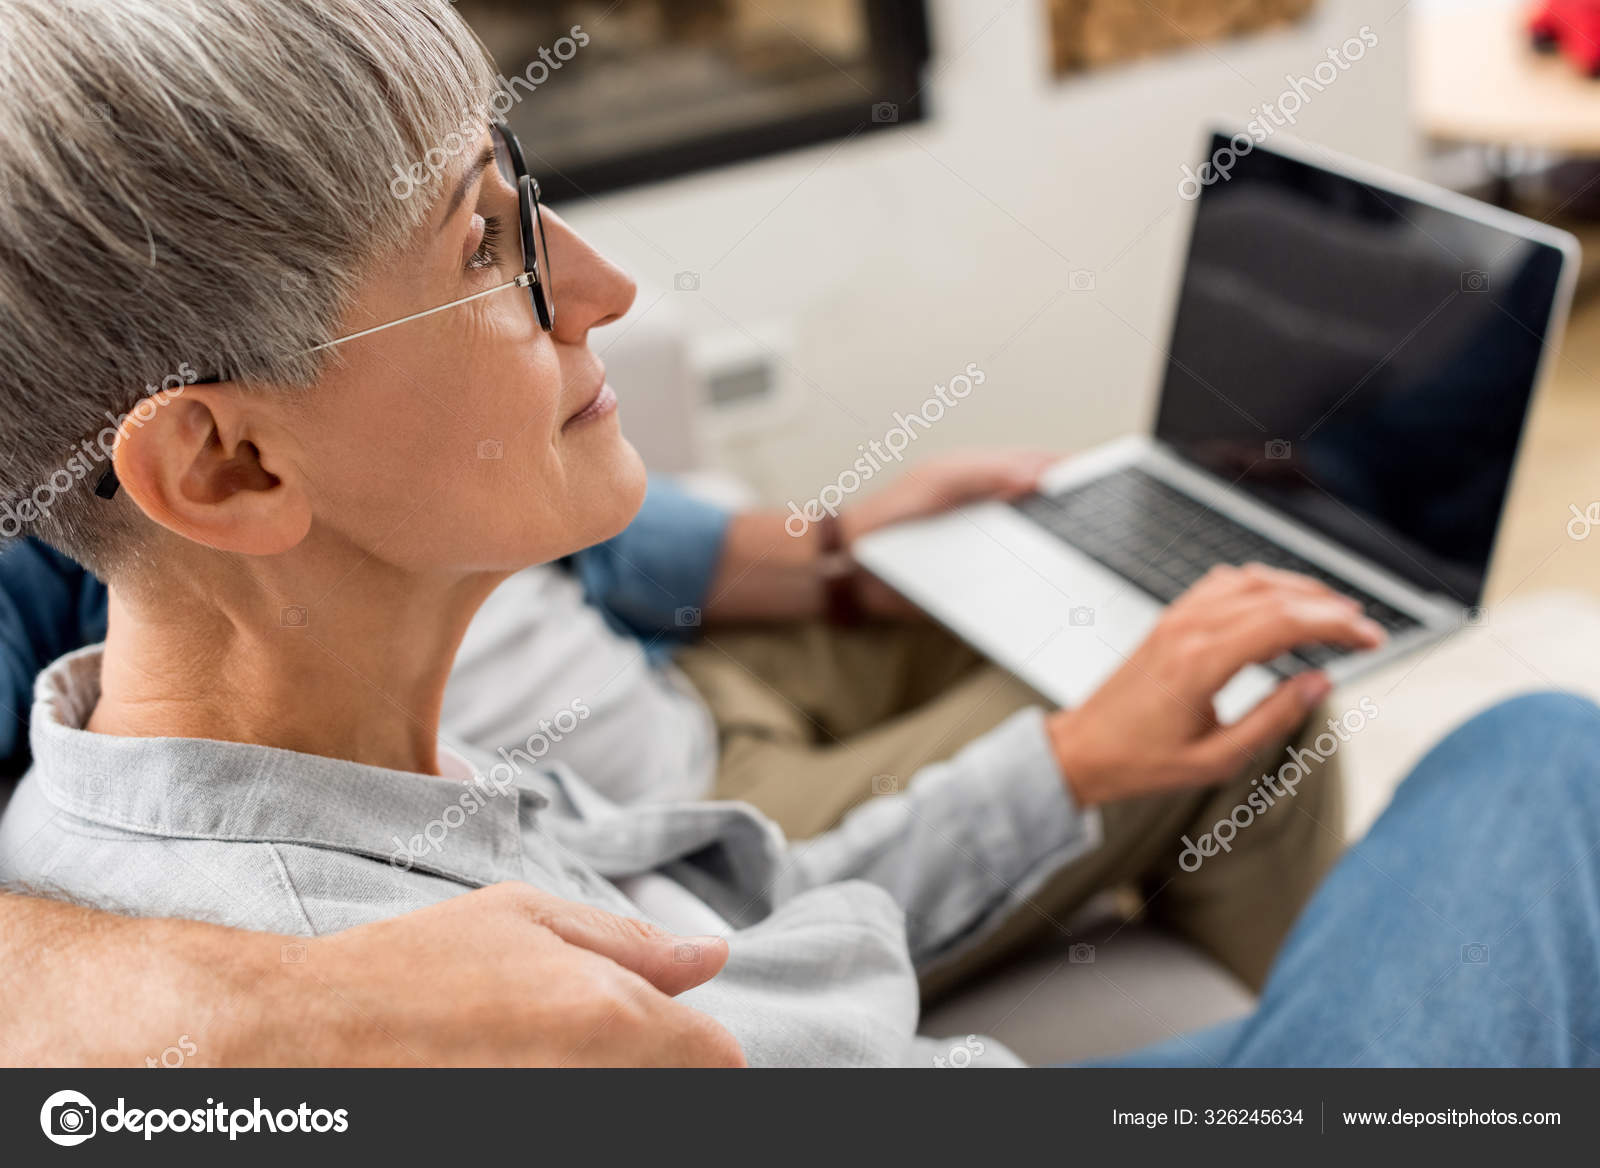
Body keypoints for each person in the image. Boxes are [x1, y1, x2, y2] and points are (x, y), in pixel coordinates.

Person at [3, 0, 1593, 1068]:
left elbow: (750, 931)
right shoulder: (426, 1016)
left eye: (527, 189)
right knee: (1535, 753)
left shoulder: (341, 767)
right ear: (221, 469)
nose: (608, 289)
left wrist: (1073, 769)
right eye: (487, 248)